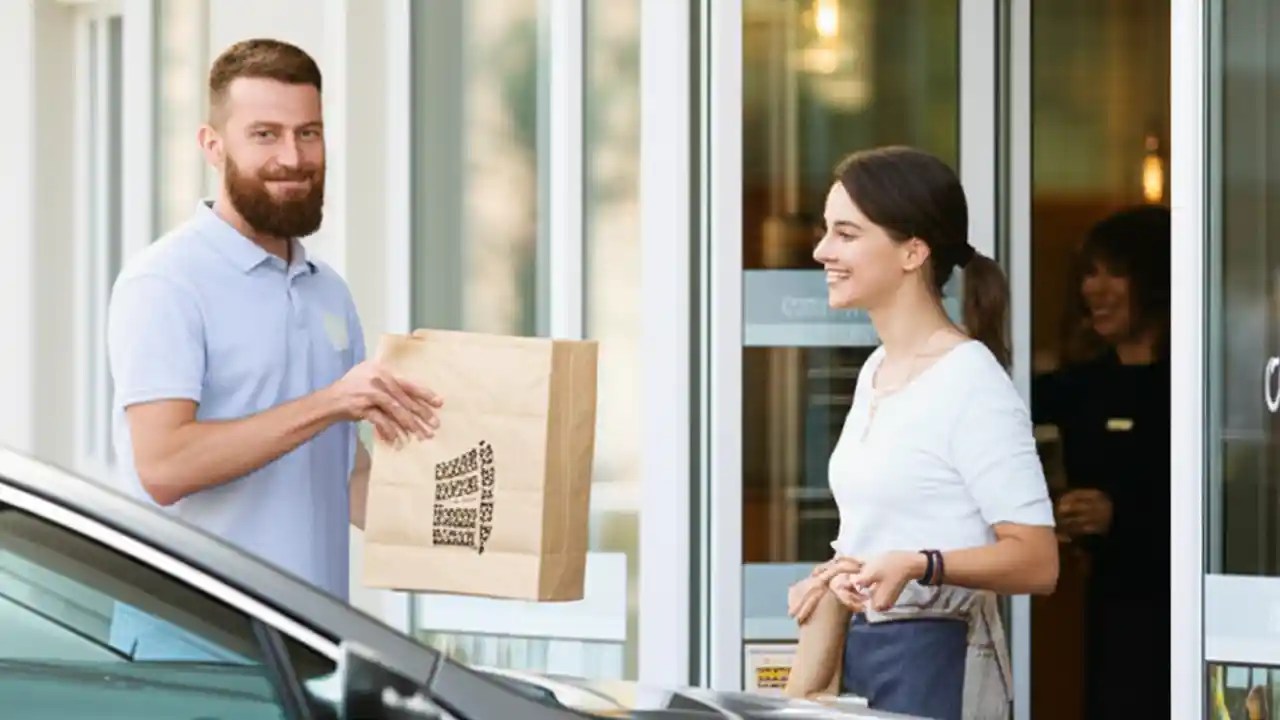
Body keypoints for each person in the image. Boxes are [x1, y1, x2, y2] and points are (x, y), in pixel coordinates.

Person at [106, 39, 439, 656]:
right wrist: (332, 403)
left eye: (308, 133)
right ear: (213, 145)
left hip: (309, 653)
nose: (293, 156)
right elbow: (164, 467)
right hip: (196, 661)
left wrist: (482, 539)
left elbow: (346, 471)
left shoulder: (327, 292)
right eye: (265, 134)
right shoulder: (167, 282)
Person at [786, 146, 1059, 719]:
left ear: (913, 250)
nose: (821, 251)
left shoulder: (970, 380)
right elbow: (891, 524)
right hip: (864, 653)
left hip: (935, 657)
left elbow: (1037, 561)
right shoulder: (875, 370)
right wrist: (842, 567)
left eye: (846, 233)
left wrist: (919, 563)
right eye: (826, 231)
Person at [1032, 205, 1171, 719]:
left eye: (1115, 271)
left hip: (1174, 613)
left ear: (1155, 280)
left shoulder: (1198, 387)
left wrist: (1121, 516)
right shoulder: (1074, 386)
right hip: (1095, 611)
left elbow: (1231, 513)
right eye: (1089, 272)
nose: (1096, 288)